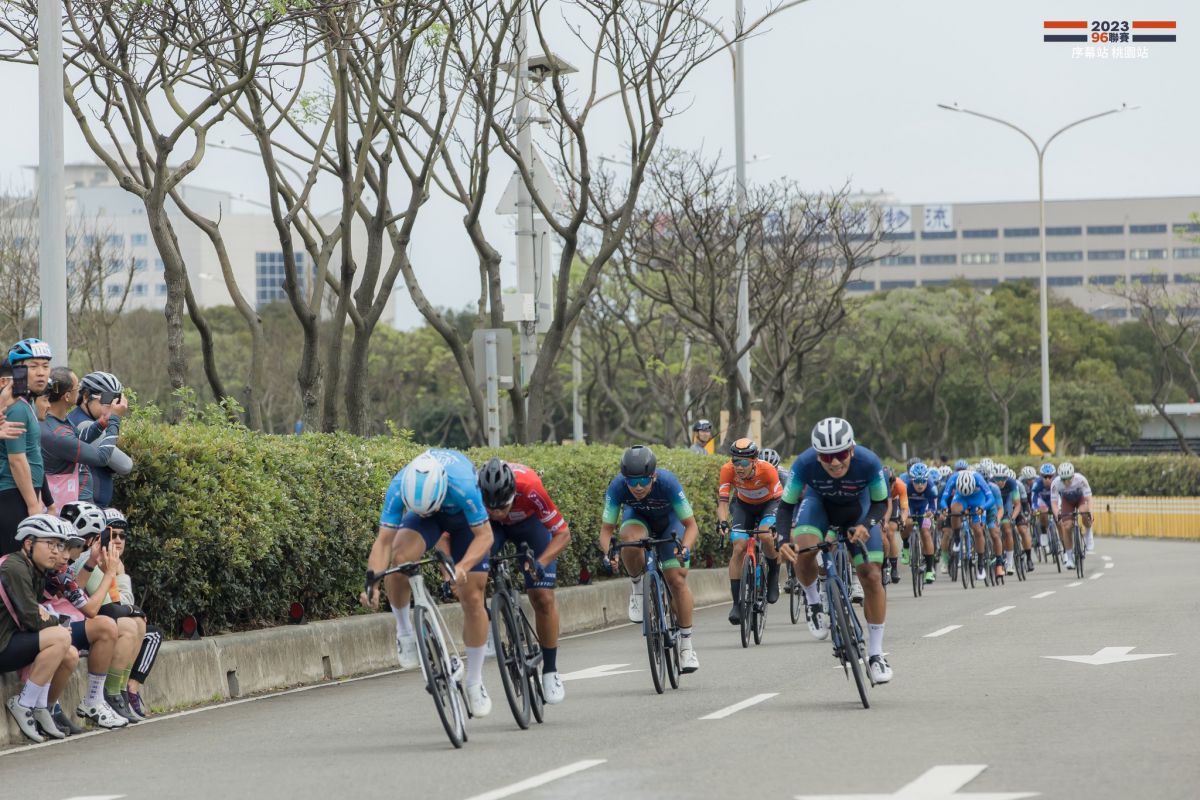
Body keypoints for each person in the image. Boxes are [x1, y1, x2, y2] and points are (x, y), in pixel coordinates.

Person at [360, 450, 495, 717]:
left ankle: (474, 681)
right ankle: (404, 631)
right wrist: (371, 583)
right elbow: (383, 542)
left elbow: (485, 536)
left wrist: (462, 566)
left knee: (473, 598)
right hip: (426, 516)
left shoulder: (463, 485)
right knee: (399, 560)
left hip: (463, 522)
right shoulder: (400, 486)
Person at [776, 417, 893, 683]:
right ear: (817, 456)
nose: (835, 462)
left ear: (851, 449)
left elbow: (880, 503)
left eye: (840, 454)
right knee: (804, 548)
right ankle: (814, 601)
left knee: (872, 575)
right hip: (819, 506)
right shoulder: (804, 464)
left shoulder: (869, 462)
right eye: (826, 457)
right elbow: (785, 506)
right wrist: (782, 540)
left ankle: (876, 654)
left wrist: (866, 525)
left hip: (859, 509)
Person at [475, 457, 571, 705]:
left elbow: (562, 534)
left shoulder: (530, 488)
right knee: (474, 569)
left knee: (542, 596)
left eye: (502, 507)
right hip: (490, 530)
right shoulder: (472, 493)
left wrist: (541, 563)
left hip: (529, 525)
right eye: (491, 507)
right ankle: (484, 623)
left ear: (513, 494)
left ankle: (550, 671)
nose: (497, 512)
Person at [598, 445, 701, 673]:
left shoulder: (668, 482)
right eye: (631, 481)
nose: (637, 487)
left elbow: (691, 526)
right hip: (638, 522)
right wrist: (609, 553)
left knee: (677, 581)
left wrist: (684, 548)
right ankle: (637, 588)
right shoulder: (617, 487)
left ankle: (686, 646)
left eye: (643, 480)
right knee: (628, 539)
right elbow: (607, 531)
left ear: (653, 476)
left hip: (670, 527)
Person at [44, 501, 128, 730]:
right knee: (106, 626)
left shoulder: (61, 561)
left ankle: (91, 700)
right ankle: (92, 700)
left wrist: (91, 562)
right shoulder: (58, 567)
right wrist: (110, 572)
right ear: (88, 539)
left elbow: (74, 588)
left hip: (55, 624)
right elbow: (90, 608)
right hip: (48, 630)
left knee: (106, 625)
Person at [1, 514, 80, 742]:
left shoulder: (35, 569)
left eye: (59, 545)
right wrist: (56, 622)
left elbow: (34, 617)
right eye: (50, 544)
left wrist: (49, 618)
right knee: (60, 637)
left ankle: (40, 705)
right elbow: (31, 620)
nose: (56, 551)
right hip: (3, 643)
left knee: (70, 655)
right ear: (29, 543)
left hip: (12, 639)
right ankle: (24, 703)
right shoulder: (14, 567)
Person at [78, 508, 152, 722]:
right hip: (87, 619)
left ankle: (120, 690)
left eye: (122, 536)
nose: (118, 540)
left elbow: (124, 603)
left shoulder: (115, 561)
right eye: (112, 535)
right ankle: (110, 692)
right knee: (131, 624)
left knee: (138, 623)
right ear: (100, 536)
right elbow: (108, 606)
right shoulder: (89, 558)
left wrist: (119, 573)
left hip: (103, 616)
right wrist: (113, 572)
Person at [716, 438, 782, 624]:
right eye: (735, 461)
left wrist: (779, 524)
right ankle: (737, 603)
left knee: (767, 537)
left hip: (769, 505)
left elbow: (782, 502)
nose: (739, 466)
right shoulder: (727, 470)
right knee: (739, 546)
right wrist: (722, 521)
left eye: (744, 462)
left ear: (754, 461)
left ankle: (773, 575)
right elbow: (722, 503)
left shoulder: (767, 470)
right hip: (744, 506)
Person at [0, 338, 55, 555]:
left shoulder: (25, 404)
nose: (41, 372)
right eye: (33, 366)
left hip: (25, 492)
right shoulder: (17, 408)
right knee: (15, 562)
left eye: (45, 365)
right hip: (12, 495)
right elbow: (17, 459)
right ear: (17, 371)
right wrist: (33, 504)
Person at [41, 368, 123, 507]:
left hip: (76, 504)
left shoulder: (58, 422)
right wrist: (115, 420)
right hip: (69, 510)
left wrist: (102, 422)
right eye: (77, 387)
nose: (80, 391)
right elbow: (101, 457)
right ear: (66, 396)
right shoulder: (58, 435)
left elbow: (78, 438)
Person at [68, 371, 133, 507]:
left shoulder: (79, 418)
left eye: (116, 400)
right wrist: (115, 419)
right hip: (89, 508)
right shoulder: (84, 424)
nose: (112, 407)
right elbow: (125, 465)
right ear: (86, 397)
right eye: (106, 400)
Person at [900, 463, 939, 584]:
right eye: (917, 481)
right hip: (909, 505)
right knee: (908, 523)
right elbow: (901, 503)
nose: (920, 484)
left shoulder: (931, 488)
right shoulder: (905, 486)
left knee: (926, 533)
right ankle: (906, 546)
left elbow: (933, 505)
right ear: (911, 480)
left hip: (924, 507)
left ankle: (929, 570)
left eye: (923, 481)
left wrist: (931, 512)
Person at [1052, 462, 1094, 568]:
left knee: (1084, 512)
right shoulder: (1056, 483)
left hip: (1080, 499)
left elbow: (1089, 498)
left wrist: (1091, 512)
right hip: (1067, 502)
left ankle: (1088, 532)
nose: (1066, 482)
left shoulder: (1081, 479)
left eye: (1069, 479)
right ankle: (1070, 558)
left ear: (1073, 475)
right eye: (1064, 479)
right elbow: (1054, 503)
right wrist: (1057, 514)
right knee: (1067, 526)